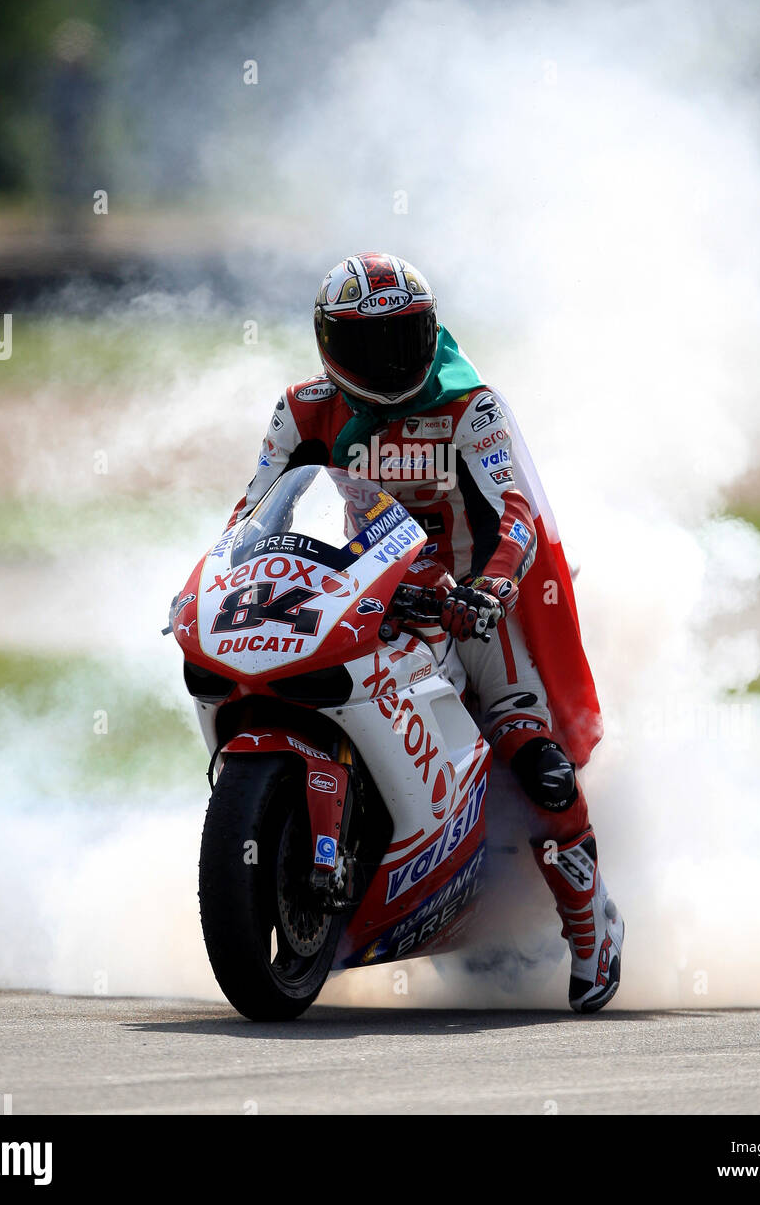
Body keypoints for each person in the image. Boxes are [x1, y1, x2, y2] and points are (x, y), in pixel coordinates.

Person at [227, 252, 623, 1011]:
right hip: (362, 595)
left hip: (469, 605)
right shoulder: (303, 407)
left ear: (430, 328)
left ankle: (590, 922)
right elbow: (252, 509)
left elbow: (515, 511)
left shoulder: (470, 404)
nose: (385, 359)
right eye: (364, 343)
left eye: (402, 337)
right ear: (327, 343)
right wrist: (219, 578)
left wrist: (494, 585)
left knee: (537, 762)